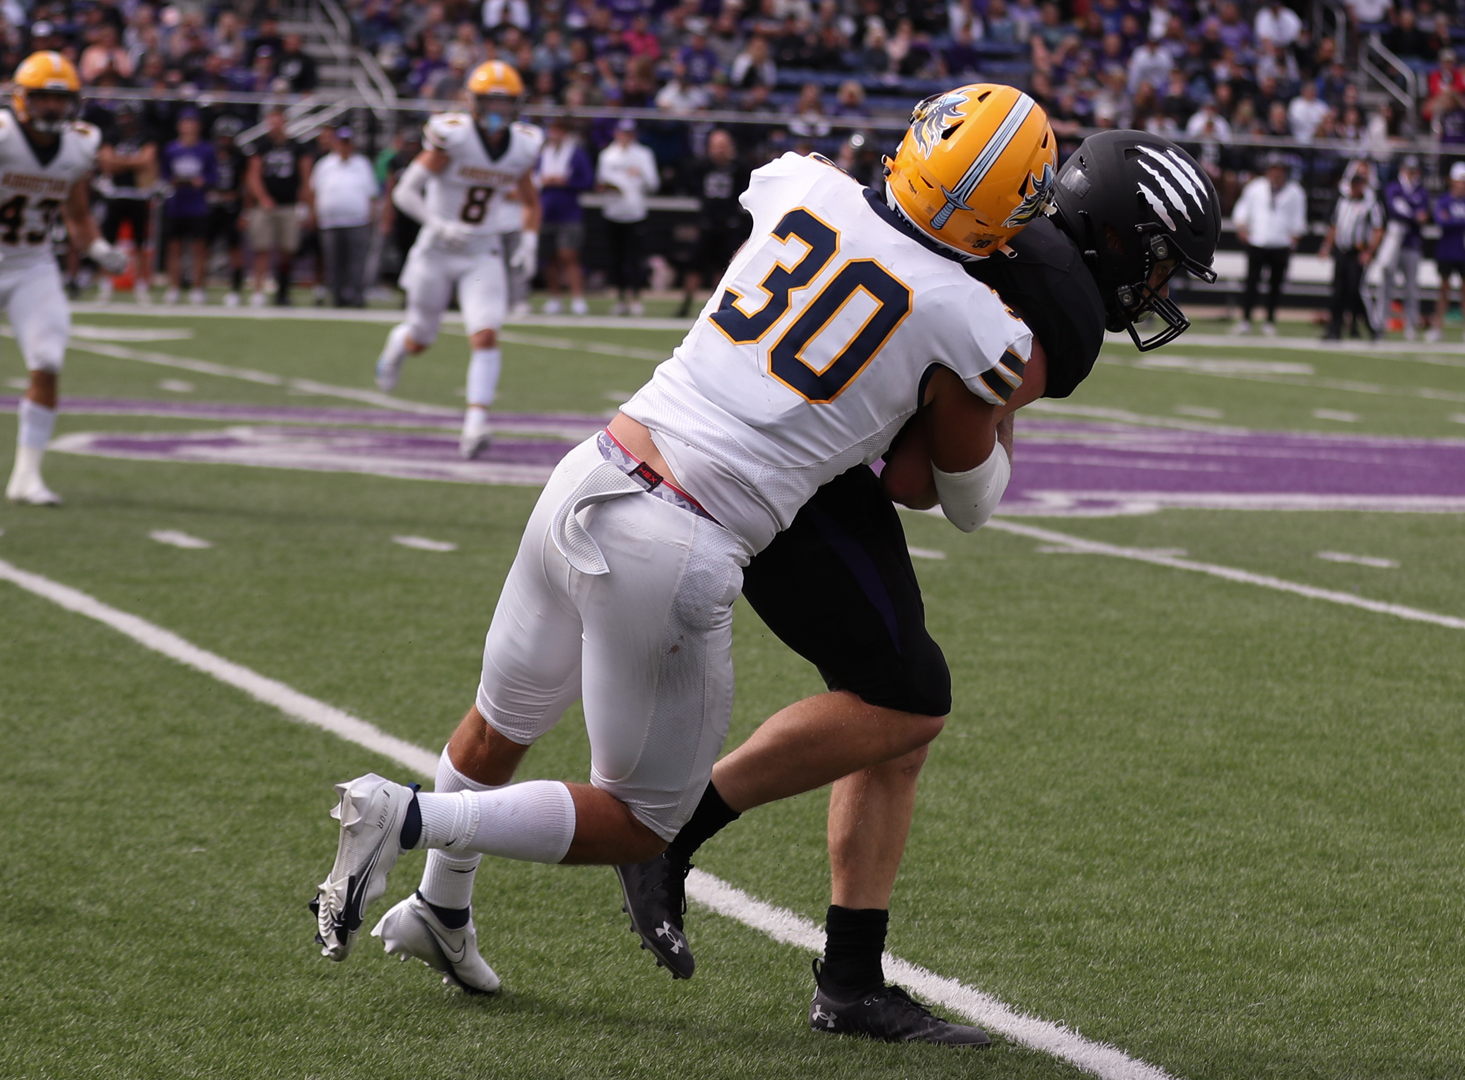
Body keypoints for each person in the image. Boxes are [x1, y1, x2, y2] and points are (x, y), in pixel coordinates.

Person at [309, 86, 1057, 1034]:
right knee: (642, 821)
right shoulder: (980, 323)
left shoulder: (798, 184)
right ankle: (406, 819)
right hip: (679, 537)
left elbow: (803, 192)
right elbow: (966, 497)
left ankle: (442, 910)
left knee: (500, 725)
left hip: (593, 467)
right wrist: (1011, 392)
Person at [605, 129, 1215, 1042]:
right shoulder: (1058, 310)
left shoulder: (1002, 235)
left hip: (769, 430)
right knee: (910, 700)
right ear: (1119, 239)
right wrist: (999, 434)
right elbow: (931, 489)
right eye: (1163, 263)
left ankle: (850, 980)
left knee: (895, 724)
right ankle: (674, 831)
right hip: (789, 476)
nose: (1162, 289)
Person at [0, 53, 125, 504]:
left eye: (60, 99)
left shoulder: (78, 145)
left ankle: (26, 477)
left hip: (33, 265)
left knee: (49, 360)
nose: (52, 108)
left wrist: (96, 249)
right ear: (21, 98)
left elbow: (76, 214)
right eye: (42, 98)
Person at [373, 61, 542, 459]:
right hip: (437, 250)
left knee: (485, 334)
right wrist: (437, 222)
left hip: (482, 250)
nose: (499, 108)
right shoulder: (454, 137)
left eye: (506, 100)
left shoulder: (523, 145)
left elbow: (530, 201)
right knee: (421, 337)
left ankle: (475, 425)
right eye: (492, 100)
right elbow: (405, 192)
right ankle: (397, 347)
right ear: (475, 102)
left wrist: (530, 241)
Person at [677, 128, 750, 320]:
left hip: (730, 224)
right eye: (717, 146)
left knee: (725, 269)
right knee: (695, 267)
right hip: (706, 223)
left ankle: (719, 306)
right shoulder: (701, 167)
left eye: (723, 146)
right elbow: (690, 184)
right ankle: (685, 304)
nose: (720, 150)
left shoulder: (739, 168)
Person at [1230, 153, 1304, 335]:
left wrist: (1296, 235)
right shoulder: (1255, 188)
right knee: (1251, 283)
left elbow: (1299, 216)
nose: (1276, 173)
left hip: (1281, 243)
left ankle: (1269, 320)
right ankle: (1246, 319)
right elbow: (1242, 208)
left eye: (1279, 169)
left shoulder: (1295, 191)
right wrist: (1241, 226)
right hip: (1258, 241)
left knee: (1275, 285)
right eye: (1273, 169)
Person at [245, 106, 310, 306]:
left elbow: (305, 177)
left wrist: (305, 203)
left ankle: (283, 290)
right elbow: (253, 175)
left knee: (287, 250)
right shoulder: (262, 146)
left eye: (278, 120)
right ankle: (258, 289)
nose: (275, 125)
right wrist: (263, 198)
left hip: (288, 204)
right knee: (262, 248)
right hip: (266, 205)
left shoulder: (297, 147)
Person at [310, 127, 380, 309]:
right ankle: (337, 298)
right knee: (334, 263)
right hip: (330, 222)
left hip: (357, 221)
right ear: (335, 143)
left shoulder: (362, 164)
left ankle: (357, 297)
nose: (344, 146)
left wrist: (370, 216)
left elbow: (371, 194)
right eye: (341, 142)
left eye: (347, 142)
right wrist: (314, 214)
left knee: (357, 262)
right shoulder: (324, 165)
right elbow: (314, 191)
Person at [596, 117, 659, 316]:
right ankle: (621, 297)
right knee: (616, 258)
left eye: (629, 133)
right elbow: (600, 181)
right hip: (613, 213)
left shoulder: (643, 154)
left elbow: (653, 184)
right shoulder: (607, 155)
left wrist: (639, 176)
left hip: (635, 213)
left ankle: (636, 297)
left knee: (635, 258)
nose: (625, 137)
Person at [93, 104, 156, 301]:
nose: (126, 120)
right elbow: (106, 162)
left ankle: (141, 284)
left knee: (140, 243)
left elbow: (147, 160)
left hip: (138, 194)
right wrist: (132, 162)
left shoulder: (146, 135)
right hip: (115, 193)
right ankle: (105, 284)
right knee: (108, 242)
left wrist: (118, 162)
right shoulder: (112, 135)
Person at [534, 115, 595, 315]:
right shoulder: (543, 153)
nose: (554, 135)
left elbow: (588, 181)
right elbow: (532, 178)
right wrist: (543, 180)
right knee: (549, 258)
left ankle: (577, 298)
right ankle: (554, 297)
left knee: (569, 256)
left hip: (569, 212)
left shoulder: (577, 154)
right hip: (546, 211)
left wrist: (566, 182)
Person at [1320, 163, 1384, 341]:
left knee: (1356, 291)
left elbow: (1379, 230)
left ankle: (1373, 327)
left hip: (1358, 252)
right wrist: (1326, 246)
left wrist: (1369, 251)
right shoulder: (1343, 201)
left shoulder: (1370, 204)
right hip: (1342, 251)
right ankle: (1335, 329)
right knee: (1338, 291)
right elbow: (1334, 225)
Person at [159, 108, 217, 305]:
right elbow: (164, 174)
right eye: (185, 122)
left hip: (197, 204)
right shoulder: (171, 149)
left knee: (198, 248)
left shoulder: (206, 150)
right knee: (174, 247)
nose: (189, 126)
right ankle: (174, 287)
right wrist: (173, 181)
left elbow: (213, 175)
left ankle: (197, 287)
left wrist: (202, 182)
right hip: (177, 203)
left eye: (192, 122)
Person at [1378, 155, 1430, 339]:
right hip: (1393, 241)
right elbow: (1394, 209)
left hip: (1411, 243)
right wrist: (1413, 216)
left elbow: (1423, 215)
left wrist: (1411, 215)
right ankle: (1381, 321)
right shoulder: (1394, 188)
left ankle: (1411, 324)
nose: (1411, 174)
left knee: (1411, 287)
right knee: (1386, 283)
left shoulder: (1420, 191)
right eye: (1409, 170)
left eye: (1414, 171)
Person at [1431, 161, 1465, 343]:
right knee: (1444, 289)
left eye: (1464, 181)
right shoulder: (1444, 200)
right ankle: (1437, 327)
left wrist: (1453, 220)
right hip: (1446, 250)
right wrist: (1461, 221)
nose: (1461, 185)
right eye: (1459, 181)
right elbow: (1441, 221)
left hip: (1464, 252)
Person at [207, 113, 249, 306]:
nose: (225, 140)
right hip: (212, 204)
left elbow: (245, 183)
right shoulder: (209, 153)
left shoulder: (239, 155)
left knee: (235, 248)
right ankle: (198, 287)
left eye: (228, 137)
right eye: (223, 136)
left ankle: (236, 289)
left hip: (232, 205)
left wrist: (244, 210)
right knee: (203, 246)